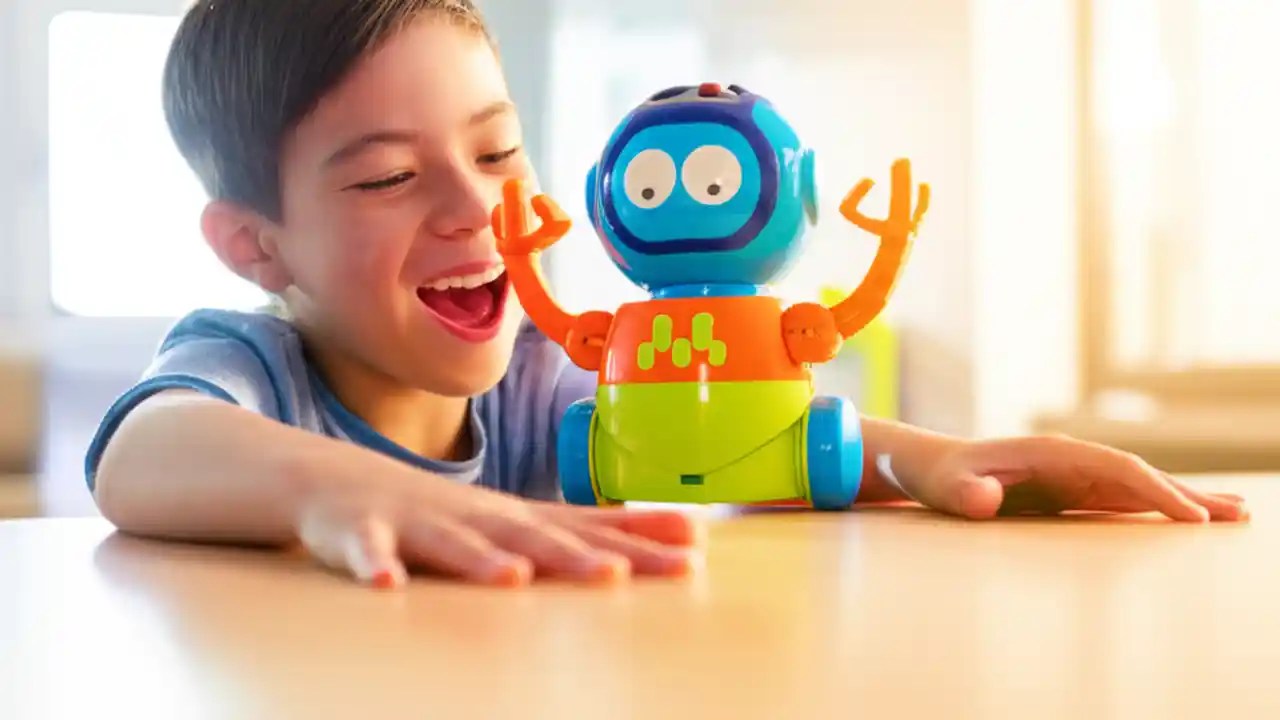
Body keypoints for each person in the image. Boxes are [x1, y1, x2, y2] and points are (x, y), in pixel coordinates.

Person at [86, 0, 1247, 591]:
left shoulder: (546, 385)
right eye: (389, 176)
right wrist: (333, 493)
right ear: (253, 247)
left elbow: (744, 443)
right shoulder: (253, 370)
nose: (475, 210)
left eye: (496, 154)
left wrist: (929, 461)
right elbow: (144, 451)